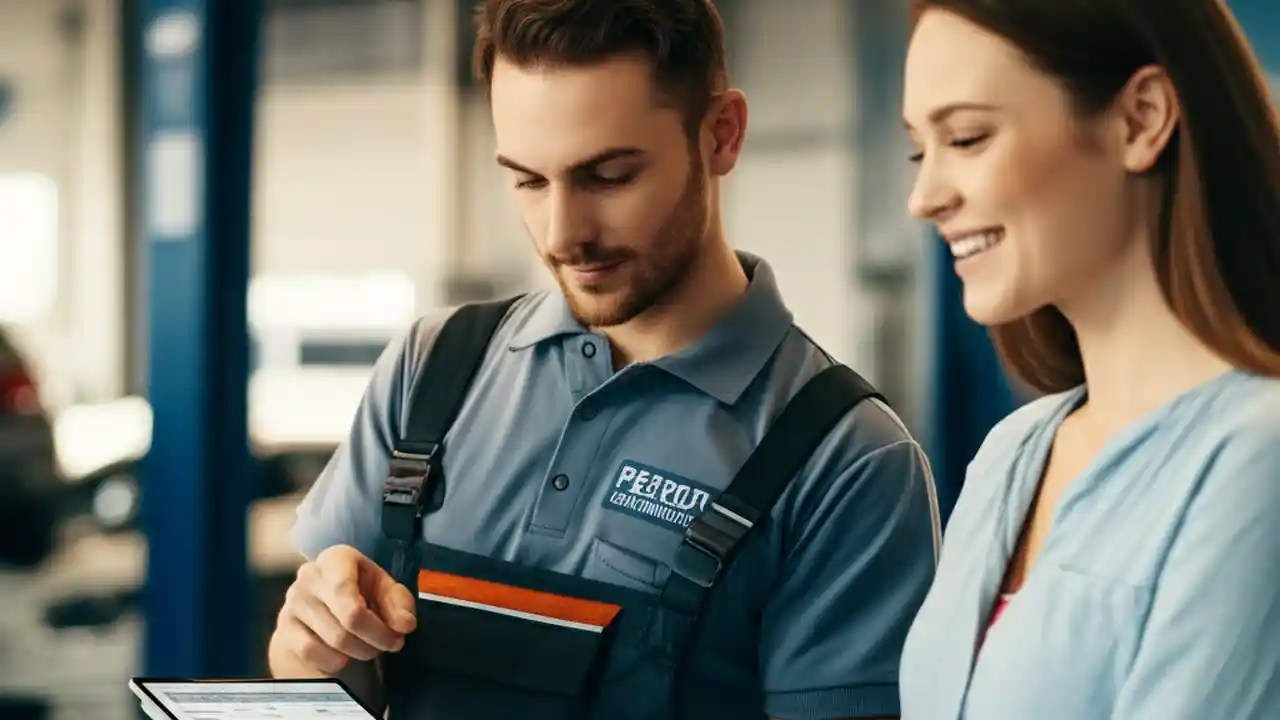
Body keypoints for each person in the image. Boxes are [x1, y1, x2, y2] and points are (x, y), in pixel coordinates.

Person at [268, 1, 941, 718]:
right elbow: (322, 680)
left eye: (609, 177)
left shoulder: (848, 463)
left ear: (722, 135)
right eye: (528, 180)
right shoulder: (430, 371)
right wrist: (309, 655)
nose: (563, 234)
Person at [898, 0, 1280, 717]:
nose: (924, 197)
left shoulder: (1259, 458)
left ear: (1140, 119)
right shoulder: (1014, 451)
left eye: (969, 138)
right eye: (921, 149)